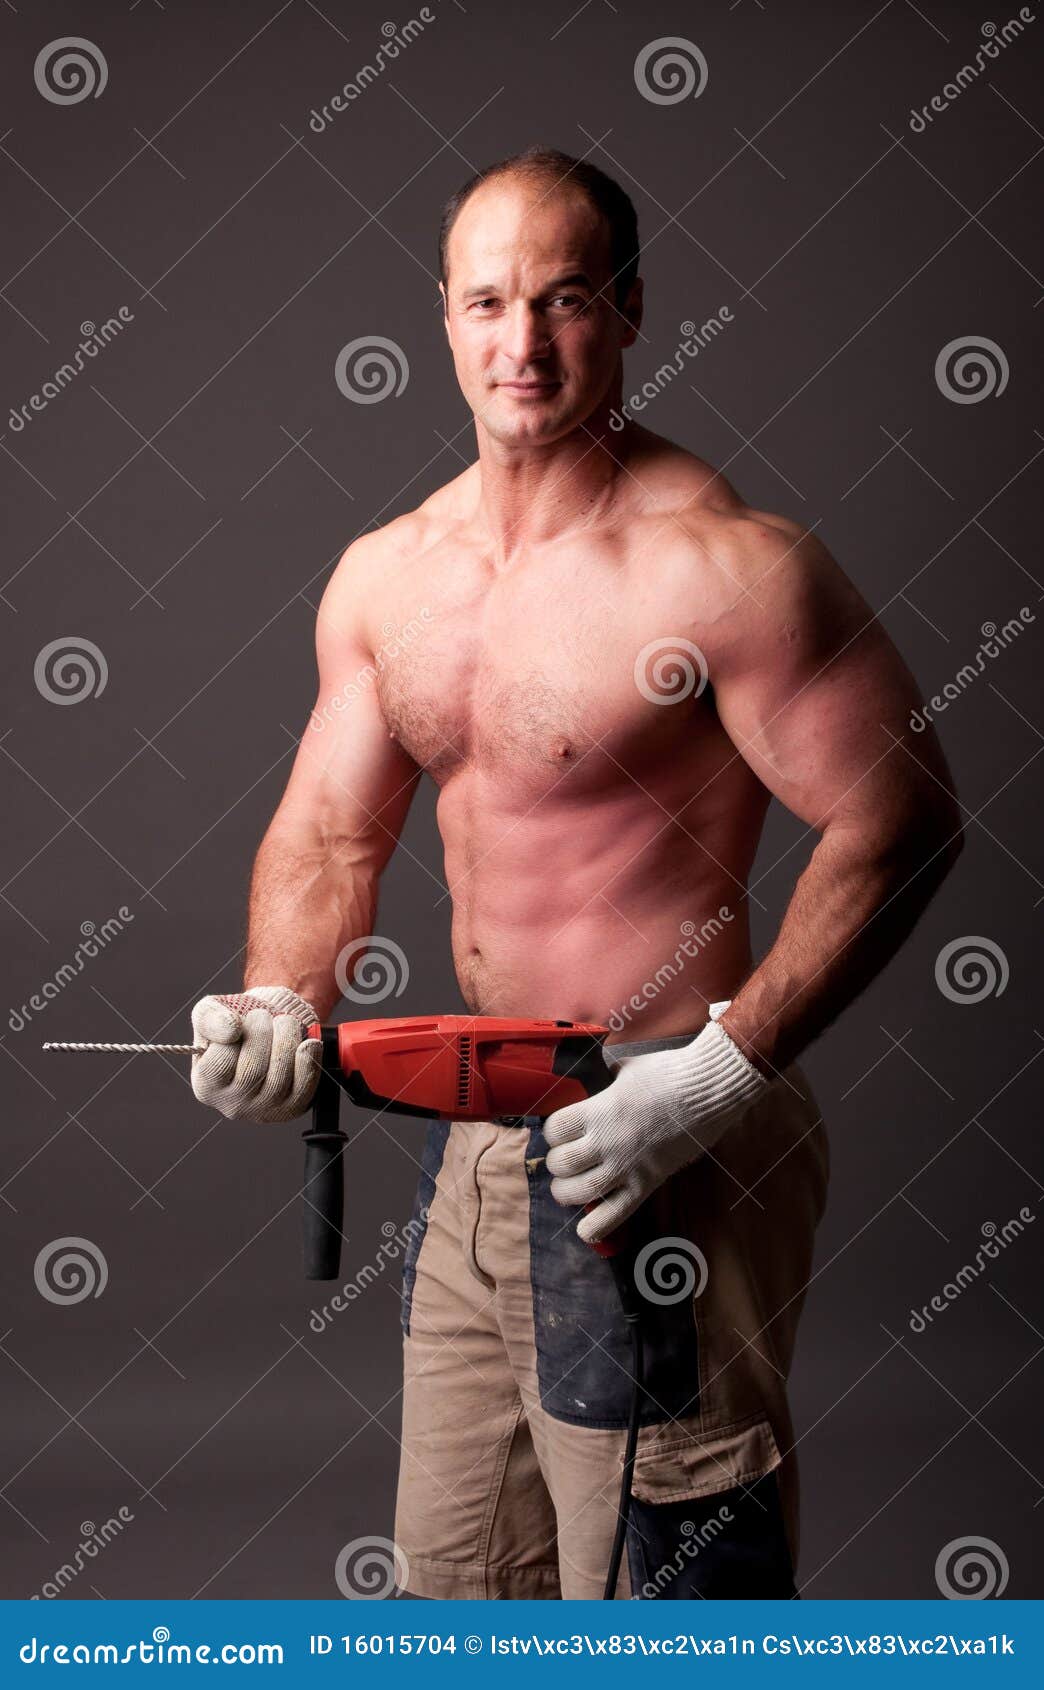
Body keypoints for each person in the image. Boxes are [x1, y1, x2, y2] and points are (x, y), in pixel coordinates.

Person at [189, 147, 963, 1599]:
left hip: (667, 1134)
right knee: (458, 1594)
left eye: (563, 298)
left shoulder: (721, 567)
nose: (523, 343)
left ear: (630, 307)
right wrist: (280, 1003)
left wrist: (719, 1074)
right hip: (481, 1133)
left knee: (676, 1594)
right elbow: (330, 834)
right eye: (488, 303)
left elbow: (903, 821)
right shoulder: (389, 575)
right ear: (443, 317)